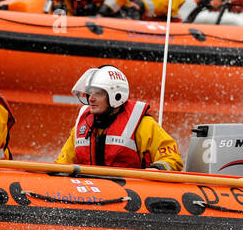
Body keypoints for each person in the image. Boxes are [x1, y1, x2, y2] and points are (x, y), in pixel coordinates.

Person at [54, 65, 182, 170]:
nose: (91, 98)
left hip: (131, 193)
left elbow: (172, 160)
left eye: (98, 93)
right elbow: (62, 163)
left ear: (117, 96)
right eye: (89, 93)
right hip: (89, 192)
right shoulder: (82, 125)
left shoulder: (142, 124)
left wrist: (157, 169)